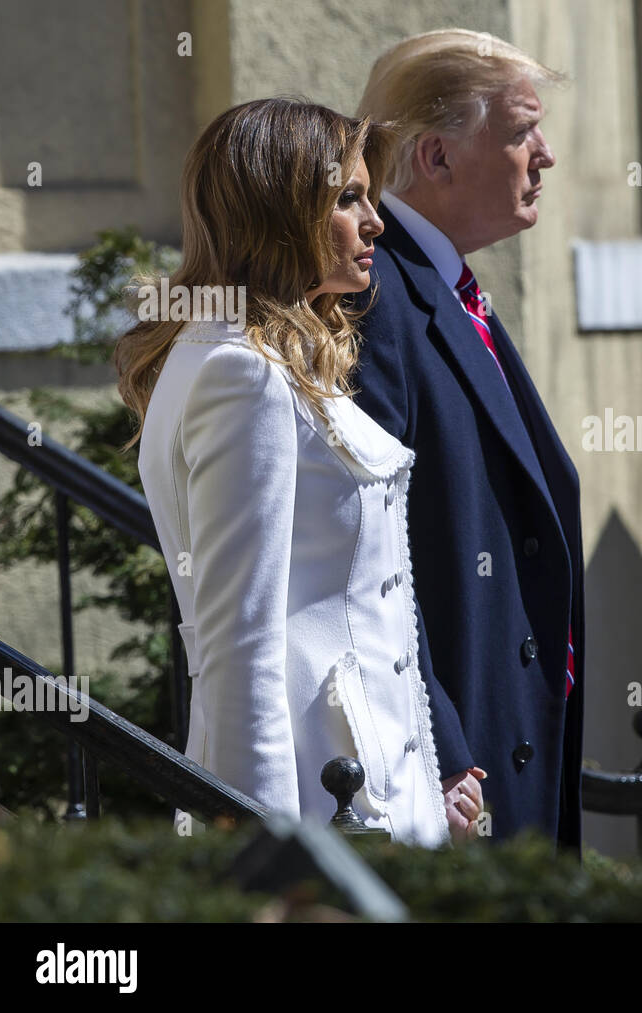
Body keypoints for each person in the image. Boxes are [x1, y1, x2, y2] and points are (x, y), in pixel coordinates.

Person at [114, 98, 449, 847]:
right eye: (348, 199)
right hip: (317, 797)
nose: (376, 223)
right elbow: (241, 644)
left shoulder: (255, 357)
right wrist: (267, 861)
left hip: (359, 789)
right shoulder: (242, 372)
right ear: (281, 210)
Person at [351, 29, 585, 848]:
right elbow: (369, 551)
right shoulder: (376, 298)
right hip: (463, 779)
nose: (545, 155)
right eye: (522, 130)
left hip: (507, 754)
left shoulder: (443, 287)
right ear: (437, 158)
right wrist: (441, 748)